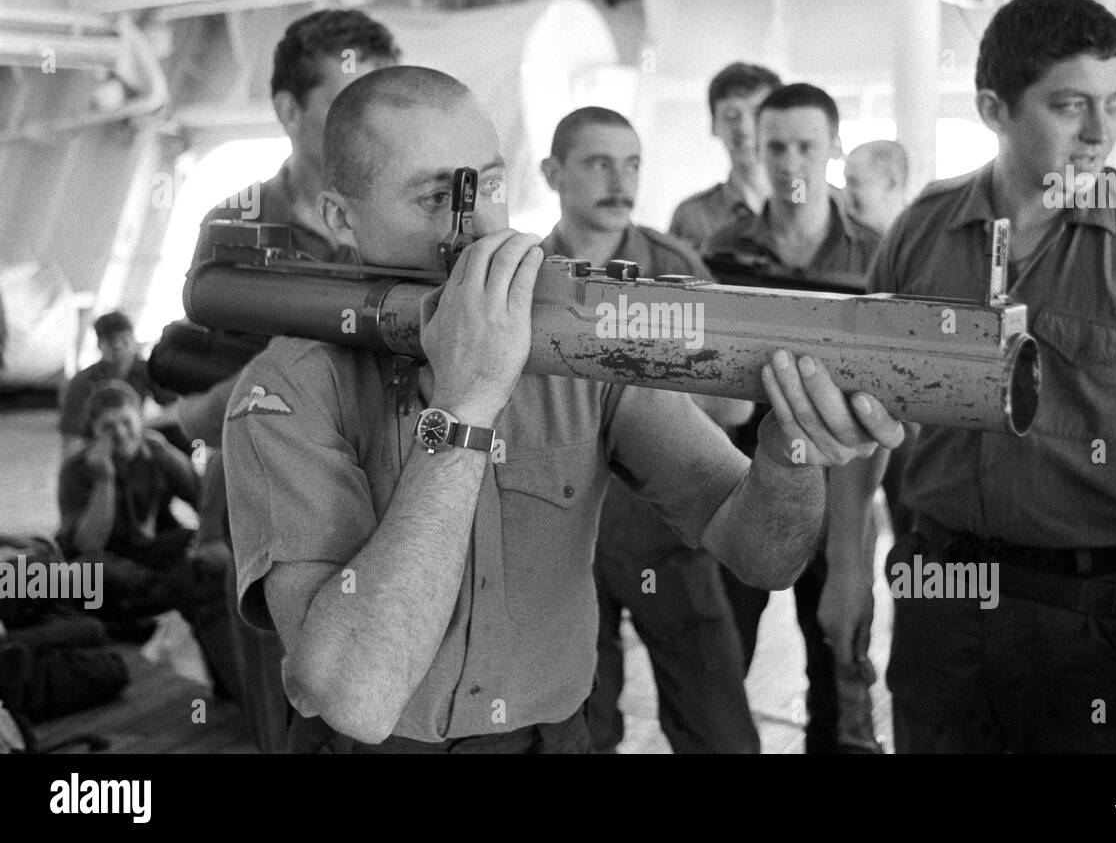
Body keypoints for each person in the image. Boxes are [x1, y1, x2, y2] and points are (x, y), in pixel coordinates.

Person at [220, 65, 900, 753]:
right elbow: (352, 697)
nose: (480, 226)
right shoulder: (286, 390)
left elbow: (760, 552)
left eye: (487, 183)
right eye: (435, 196)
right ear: (342, 215)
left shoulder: (571, 348)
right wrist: (467, 401)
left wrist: (791, 446)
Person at [850, 0, 1116, 754]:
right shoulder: (921, 230)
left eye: (1115, 103)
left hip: (1097, 618)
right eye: (1071, 105)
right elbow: (863, 419)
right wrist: (850, 568)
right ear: (993, 107)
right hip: (935, 596)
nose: (1100, 134)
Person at [178, 8, 401, 754]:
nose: (365, 127)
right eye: (345, 102)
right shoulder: (239, 230)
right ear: (288, 109)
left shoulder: (402, 228)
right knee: (289, 713)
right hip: (267, 517)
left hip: (387, 502)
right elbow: (225, 405)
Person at [538, 105, 758, 753]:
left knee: (718, 728)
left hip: (667, 531)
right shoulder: (526, 275)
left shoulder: (676, 270)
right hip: (561, 540)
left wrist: (641, 404)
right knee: (579, 727)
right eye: (598, 162)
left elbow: (735, 407)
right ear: (553, 172)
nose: (619, 179)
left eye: (631, 162)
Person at [705, 82, 884, 753]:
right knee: (722, 666)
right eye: (775, 144)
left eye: (805, 144)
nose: (789, 161)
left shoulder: (876, 256)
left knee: (839, 667)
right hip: (743, 485)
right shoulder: (724, 251)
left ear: (833, 146)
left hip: (844, 491)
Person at [55, 381, 235, 693]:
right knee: (88, 568)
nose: (121, 433)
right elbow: (89, 544)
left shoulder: (156, 451)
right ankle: (169, 594)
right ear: (93, 430)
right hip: (104, 564)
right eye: (108, 427)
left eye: (127, 422)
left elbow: (203, 502)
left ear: (140, 419)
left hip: (150, 553)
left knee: (194, 548)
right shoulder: (77, 469)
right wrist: (104, 481)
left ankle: (163, 604)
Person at [669, 62, 781, 250]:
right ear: (714, 126)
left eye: (757, 113)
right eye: (731, 115)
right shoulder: (691, 216)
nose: (744, 128)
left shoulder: (818, 204)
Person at [59, 311, 180, 459]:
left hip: (135, 434)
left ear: (134, 341)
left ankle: (198, 468)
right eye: (112, 344)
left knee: (185, 435)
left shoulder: (145, 370)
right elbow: (71, 440)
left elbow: (178, 410)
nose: (120, 349)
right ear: (100, 345)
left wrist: (141, 425)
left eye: (125, 341)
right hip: (99, 442)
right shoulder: (82, 382)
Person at [843, 140, 909, 237]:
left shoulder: (922, 241)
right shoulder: (847, 242)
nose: (845, 192)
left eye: (854, 182)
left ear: (890, 183)